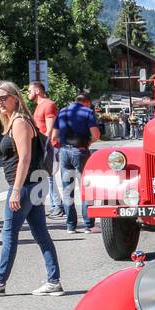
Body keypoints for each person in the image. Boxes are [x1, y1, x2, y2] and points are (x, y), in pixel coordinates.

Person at [0, 81, 63, 296]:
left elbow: (25, 158)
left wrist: (15, 190)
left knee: (9, 233)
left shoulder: (20, 122)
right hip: (34, 184)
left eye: (4, 97)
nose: (0, 102)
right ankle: (54, 280)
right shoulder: (16, 120)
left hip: (25, 186)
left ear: (15, 97)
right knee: (41, 233)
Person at [52, 91, 101, 233]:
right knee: (86, 187)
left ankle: (71, 225)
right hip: (80, 152)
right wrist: (88, 142)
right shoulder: (87, 112)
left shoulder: (62, 112)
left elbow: (54, 136)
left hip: (64, 152)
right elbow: (96, 134)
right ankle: (88, 225)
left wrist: (66, 144)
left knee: (68, 189)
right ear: (87, 102)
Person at [28, 80, 63, 219]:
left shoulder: (48, 105)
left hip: (49, 146)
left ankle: (58, 206)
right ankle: (57, 205)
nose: (28, 93)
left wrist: (44, 146)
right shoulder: (39, 106)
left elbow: (49, 130)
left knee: (49, 176)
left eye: (29, 90)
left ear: (37, 91)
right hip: (44, 146)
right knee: (47, 176)